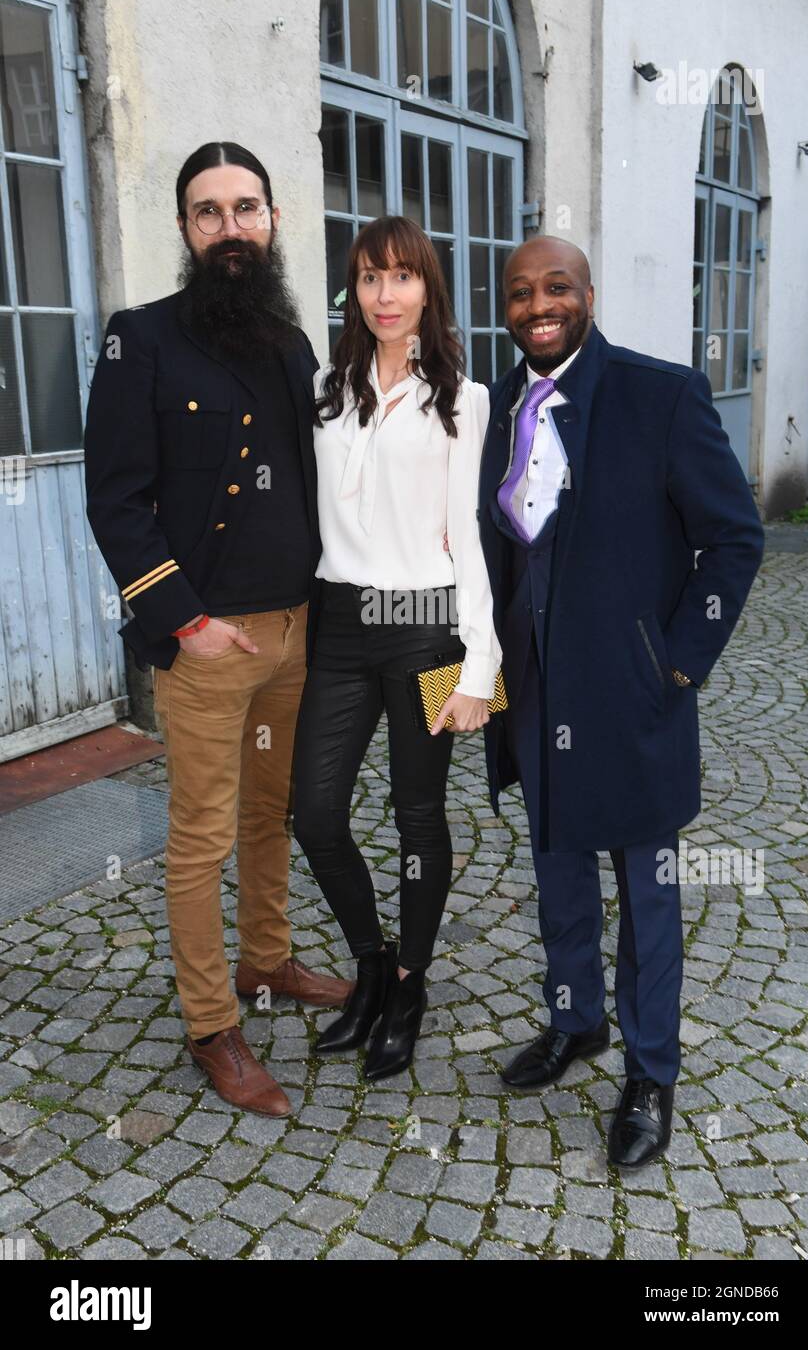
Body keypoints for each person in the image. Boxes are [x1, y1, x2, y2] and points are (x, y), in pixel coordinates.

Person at [478, 235, 764, 1167]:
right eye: (519, 292)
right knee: (558, 869)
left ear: (587, 293)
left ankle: (650, 1071)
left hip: (633, 694)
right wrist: (474, 680)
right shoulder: (499, 406)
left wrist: (676, 663)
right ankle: (575, 1022)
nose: (537, 305)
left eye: (555, 286)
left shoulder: (659, 394)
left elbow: (732, 539)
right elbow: (489, 555)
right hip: (534, 692)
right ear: (506, 306)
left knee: (647, 893)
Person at [84, 142, 352, 1118]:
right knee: (199, 839)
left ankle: (267, 961)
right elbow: (115, 500)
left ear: (272, 221)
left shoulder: (287, 341)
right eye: (209, 211)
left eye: (246, 208)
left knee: (268, 814)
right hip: (204, 644)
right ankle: (211, 1023)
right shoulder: (140, 340)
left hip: (293, 633)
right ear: (186, 228)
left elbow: (321, 474)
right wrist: (182, 616)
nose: (229, 227)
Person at [291, 215, 502, 1081]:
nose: (385, 295)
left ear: (427, 288)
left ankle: (410, 983)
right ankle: (370, 965)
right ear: (354, 290)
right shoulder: (324, 387)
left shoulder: (462, 396)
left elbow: (471, 538)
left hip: (427, 628)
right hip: (340, 625)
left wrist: (479, 671)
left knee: (418, 813)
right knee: (314, 811)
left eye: (402, 277)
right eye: (370, 278)